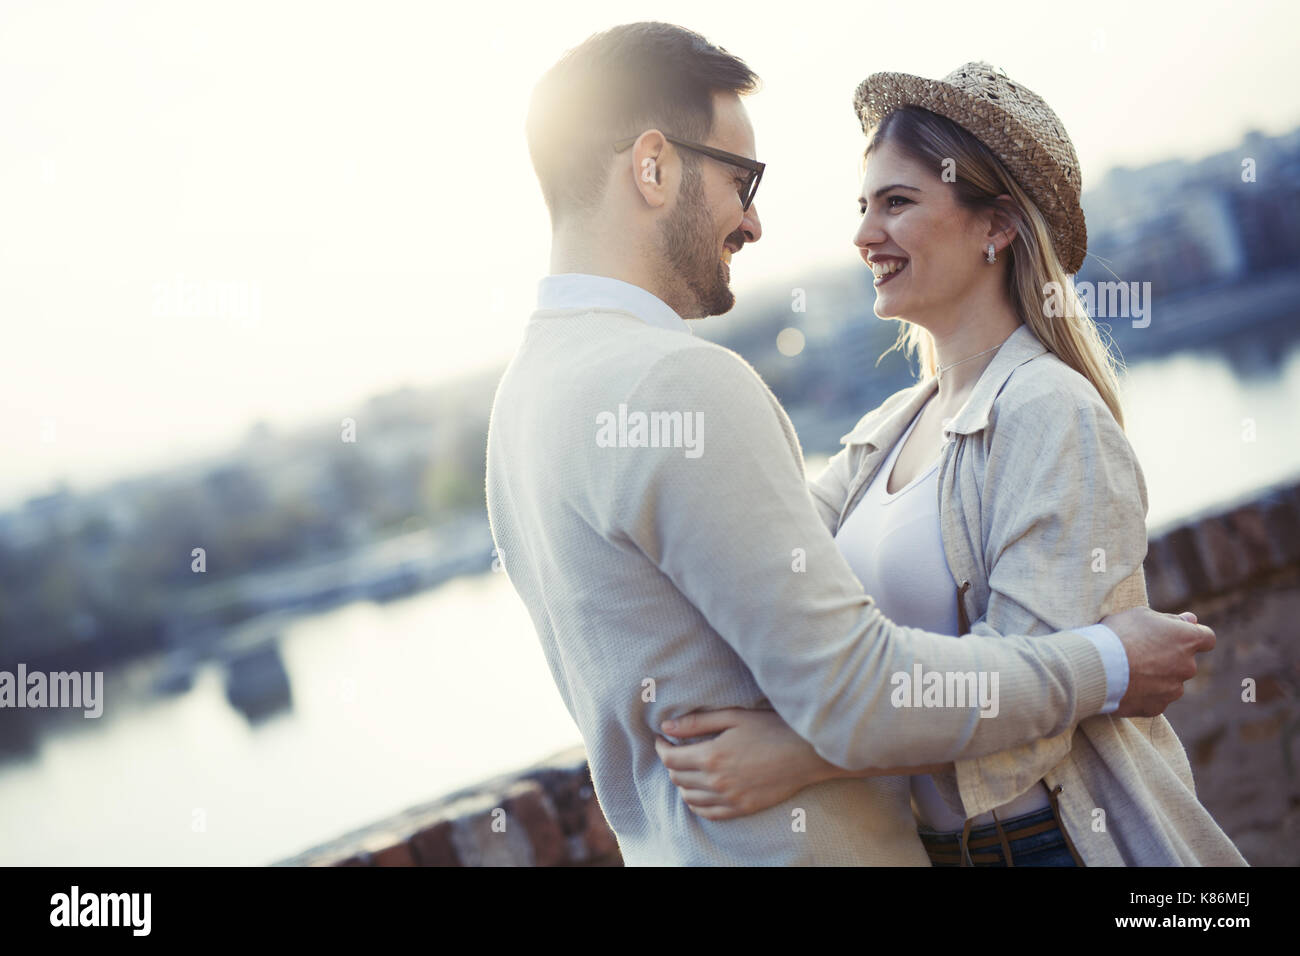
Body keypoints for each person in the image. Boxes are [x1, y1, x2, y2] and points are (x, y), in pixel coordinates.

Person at [485, 23, 1216, 865]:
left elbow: (921, 687)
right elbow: (858, 686)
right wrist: (1111, 662)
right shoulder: (773, 410)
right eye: (741, 178)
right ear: (652, 166)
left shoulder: (523, 405)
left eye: (896, 203)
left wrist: (794, 750)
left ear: (997, 227)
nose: (755, 221)